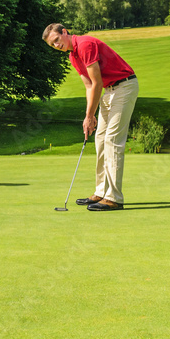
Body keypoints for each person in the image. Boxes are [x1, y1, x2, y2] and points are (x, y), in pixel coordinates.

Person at [42, 23, 138, 211]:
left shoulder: (85, 45)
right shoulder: (73, 56)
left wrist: (89, 115)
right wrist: (90, 116)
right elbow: (88, 87)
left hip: (124, 87)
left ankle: (114, 198)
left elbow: (97, 83)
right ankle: (102, 192)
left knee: (112, 140)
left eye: (56, 40)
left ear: (64, 32)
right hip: (109, 91)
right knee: (100, 139)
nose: (56, 46)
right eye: (52, 46)